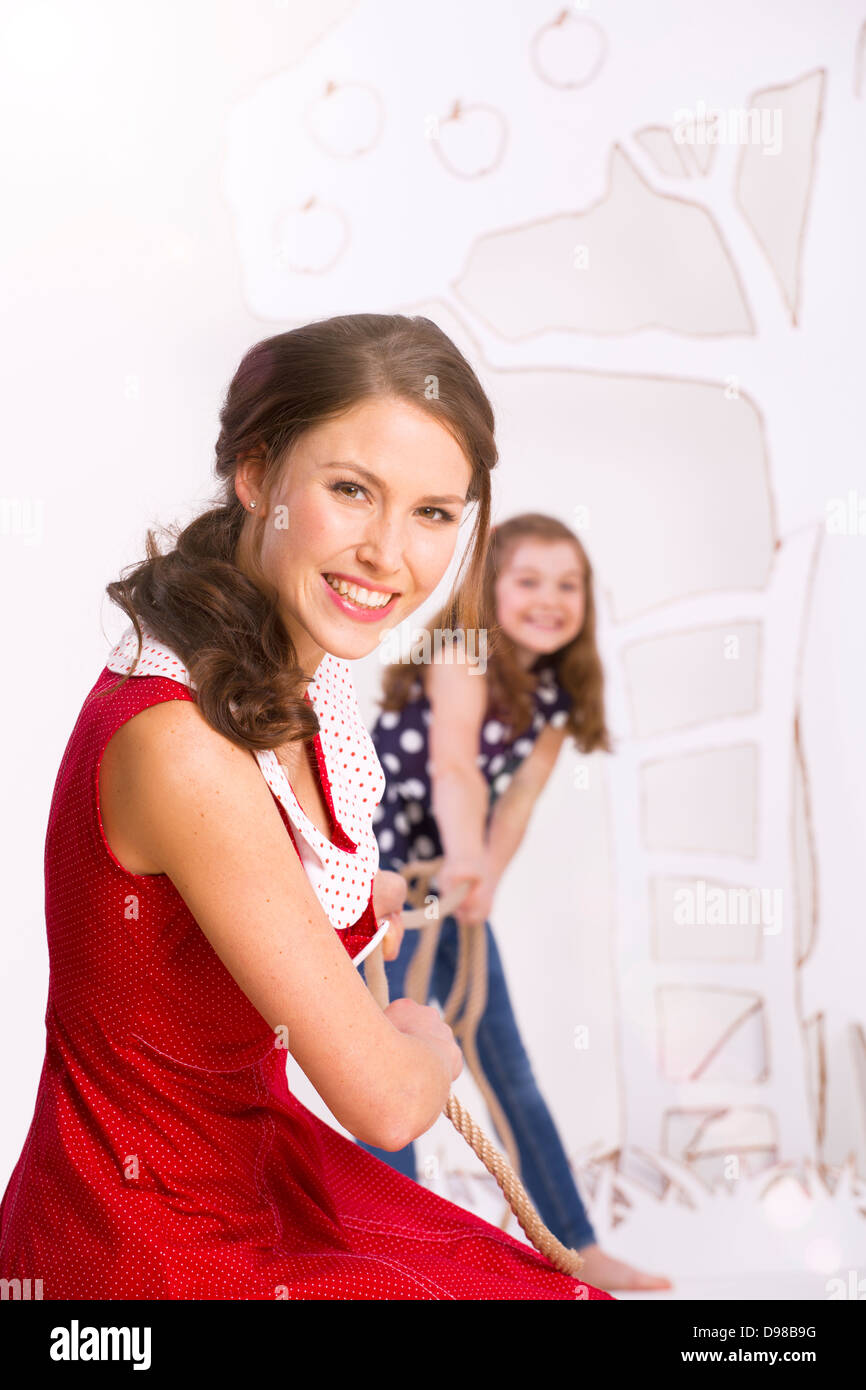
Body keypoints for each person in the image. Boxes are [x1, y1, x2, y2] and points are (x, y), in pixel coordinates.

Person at [0, 315, 614, 1300]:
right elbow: (380, 1100)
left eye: (431, 513)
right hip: (147, 1250)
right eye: (349, 491)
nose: (386, 554)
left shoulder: (281, 688)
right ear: (256, 475)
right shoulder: (182, 740)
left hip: (245, 1175)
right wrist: (427, 1042)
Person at [359, 513, 672, 1293]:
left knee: (511, 1068)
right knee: (389, 1062)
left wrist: (484, 878)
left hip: (451, 880)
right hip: (380, 871)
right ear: (487, 588)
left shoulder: (557, 695)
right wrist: (466, 857)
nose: (549, 599)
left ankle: (576, 1246)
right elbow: (454, 769)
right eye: (528, 580)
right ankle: (394, 1251)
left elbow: (521, 798)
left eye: (567, 585)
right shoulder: (460, 653)